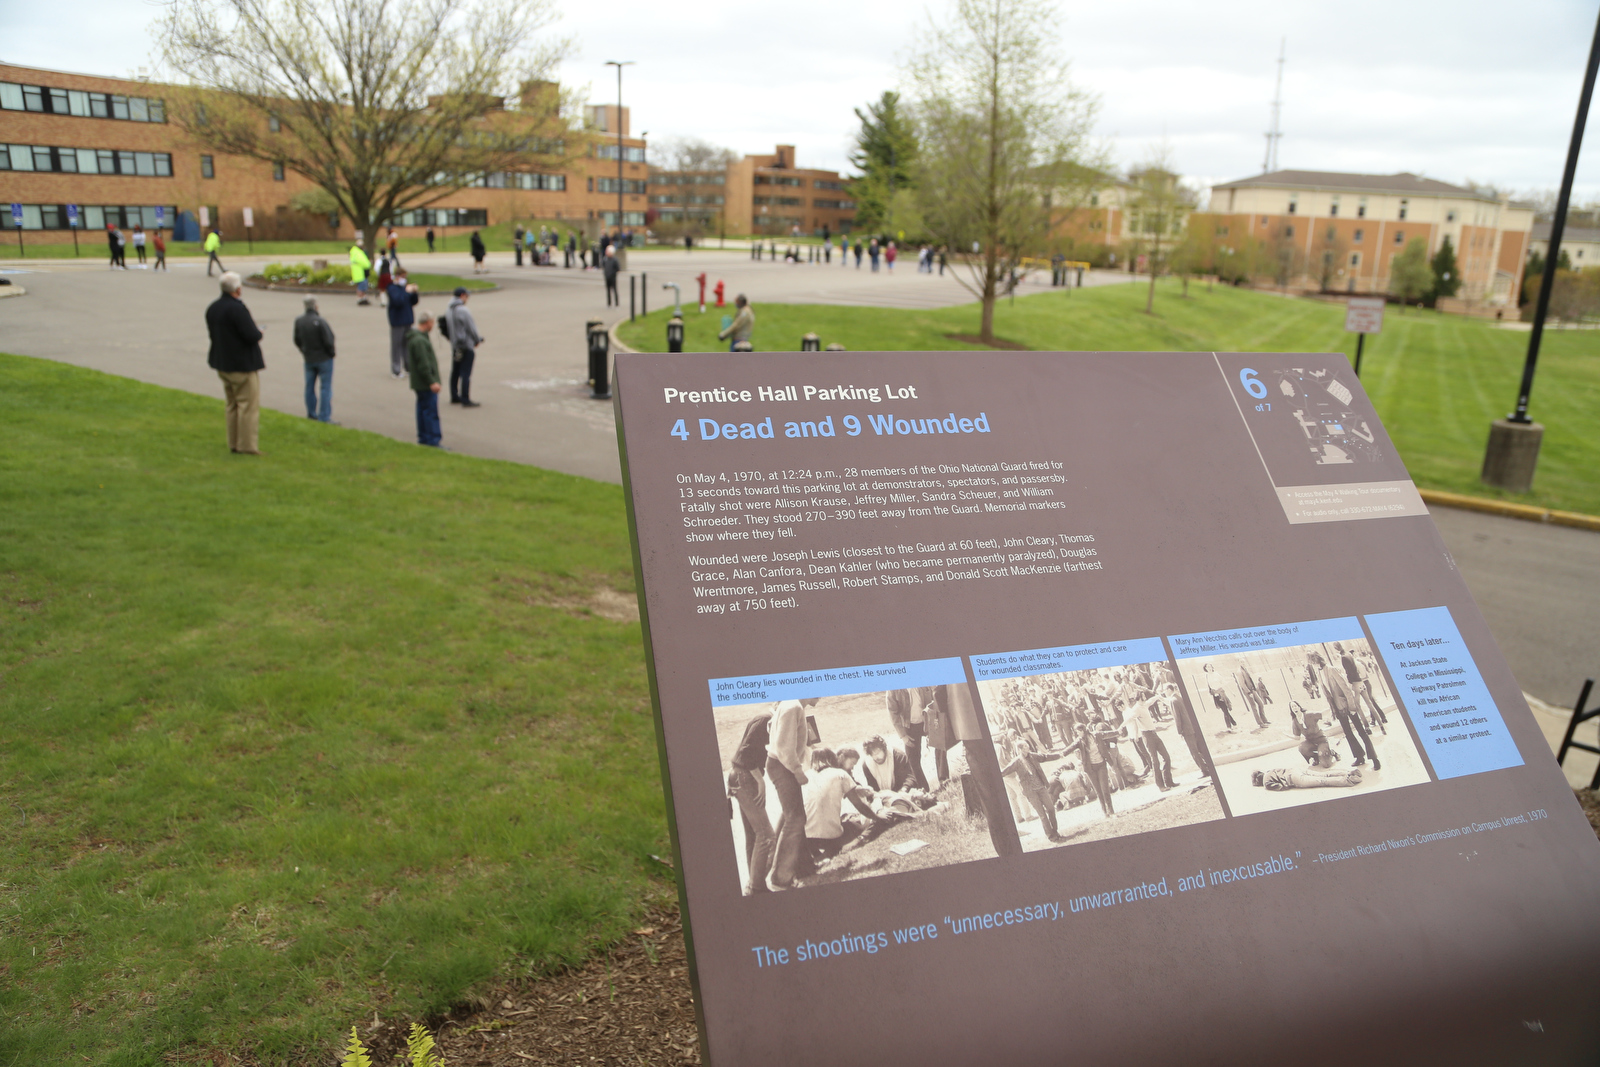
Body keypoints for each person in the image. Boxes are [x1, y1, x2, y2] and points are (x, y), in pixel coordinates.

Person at [205, 272, 265, 455]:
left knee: (232, 404)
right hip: (241, 363)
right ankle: (246, 445)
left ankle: (234, 441)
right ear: (238, 289)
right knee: (247, 405)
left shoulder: (213, 308)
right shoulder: (237, 309)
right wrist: (259, 332)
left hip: (222, 362)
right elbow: (251, 335)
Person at [800, 747, 887, 875]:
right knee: (857, 822)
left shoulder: (805, 776)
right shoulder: (840, 774)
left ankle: (819, 855)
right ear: (832, 759)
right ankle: (831, 851)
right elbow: (859, 805)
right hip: (829, 838)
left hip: (806, 838)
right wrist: (877, 818)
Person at [767, 696, 819, 890]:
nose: (823, 695)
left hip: (783, 766)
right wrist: (798, 772)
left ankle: (806, 868)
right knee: (795, 819)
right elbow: (783, 747)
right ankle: (780, 878)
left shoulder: (795, 706)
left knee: (797, 817)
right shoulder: (792, 706)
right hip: (782, 767)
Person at [727, 710, 776, 895]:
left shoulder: (769, 721)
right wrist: (760, 780)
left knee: (754, 836)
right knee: (767, 835)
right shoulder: (766, 720)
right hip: (745, 778)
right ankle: (756, 887)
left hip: (740, 778)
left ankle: (754, 884)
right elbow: (745, 752)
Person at [1316, 652, 1380, 771]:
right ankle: (1359, 757)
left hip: (1347, 704)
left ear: (1318, 658)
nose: (1312, 663)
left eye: (1312, 660)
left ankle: (1374, 758)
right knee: (1348, 733)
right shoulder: (1319, 672)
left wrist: (1352, 706)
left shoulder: (1331, 669)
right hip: (1337, 707)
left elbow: (1345, 687)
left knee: (1361, 731)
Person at [293, 296, 336, 423]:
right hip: (323, 358)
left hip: (309, 358)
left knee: (309, 386)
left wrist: (304, 350)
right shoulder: (320, 321)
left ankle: (311, 413)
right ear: (315, 306)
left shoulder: (299, 321)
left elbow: (297, 339)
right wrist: (331, 353)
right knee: (325, 387)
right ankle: (324, 416)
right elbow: (329, 340)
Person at [405, 311, 443, 447]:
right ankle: (432, 439)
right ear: (427, 323)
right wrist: (432, 381)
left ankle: (424, 437)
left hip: (419, 383)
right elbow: (424, 364)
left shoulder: (416, 338)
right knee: (430, 412)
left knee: (422, 410)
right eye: (432, 323)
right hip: (425, 383)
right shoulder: (420, 340)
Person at [1120, 696, 1173, 791]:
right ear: (1138, 698)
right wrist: (1121, 726)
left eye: (1145, 696)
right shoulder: (1136, 709)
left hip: (1154, 733)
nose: (1144, 698)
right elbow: (1130, 719)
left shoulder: (1144, 705)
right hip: (1147, 736)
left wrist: (1158, 696)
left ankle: (1169, 781)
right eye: (1143, 697)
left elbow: (1151, 700)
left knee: (1166, 757)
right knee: (1155, 760)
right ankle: (1160, 786)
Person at [444, 286, 483, 407]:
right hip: (465, 344)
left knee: (455, 370)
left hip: (455, 344)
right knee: (466, 373)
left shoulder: (449, 309)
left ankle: (454, 395)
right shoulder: (463, 310)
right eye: (467, 296)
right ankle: (465, 398)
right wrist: (477, 339)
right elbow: (471, 327)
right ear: (462, 296)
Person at [385, 269, 420, 378]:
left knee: (408, 345)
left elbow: (413, 302)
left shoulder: (405, 288)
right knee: (397, 345)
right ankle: (396, 370)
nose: (405, 279)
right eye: (403, 276)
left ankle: (408, 368)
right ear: (397, 276)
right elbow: (398, 301)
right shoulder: (392, 288)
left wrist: (414, 292)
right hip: (397, 321)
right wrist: (407, 292)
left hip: (408, 320)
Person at [1252, 766, 1363, 791]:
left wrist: (1287, 785)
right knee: (1324, 774)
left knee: (1322, 782)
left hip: (1293, 778)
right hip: (1295, 770)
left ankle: (1349, 780)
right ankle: (1348, 772)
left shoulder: (1266, 782)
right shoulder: (1269, 771)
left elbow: (1281, 787)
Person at [1202, 663, 1238, 731]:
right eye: (1207, 667)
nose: (1209, 668)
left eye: (1210, 666)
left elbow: (1224, 683)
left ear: (1212, 667)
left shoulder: (1216, 674)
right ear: (1205, 668)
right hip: (1215, 695)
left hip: (1221, 693)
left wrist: (1232, 692)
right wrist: (1210, 697)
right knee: (1224, 710)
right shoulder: (1206, 676)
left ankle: (1229, 727)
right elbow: (1208, 687)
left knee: (1225, 709)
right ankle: (1233, 723)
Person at [349, 241, 373, 306]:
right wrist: (369, 263)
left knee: (361, 286)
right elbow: (365, 263)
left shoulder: (354, 252)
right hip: (361, 273)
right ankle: (361, 298)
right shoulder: (359, 253)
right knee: (362, 287)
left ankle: (363, 298)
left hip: (357, 273)